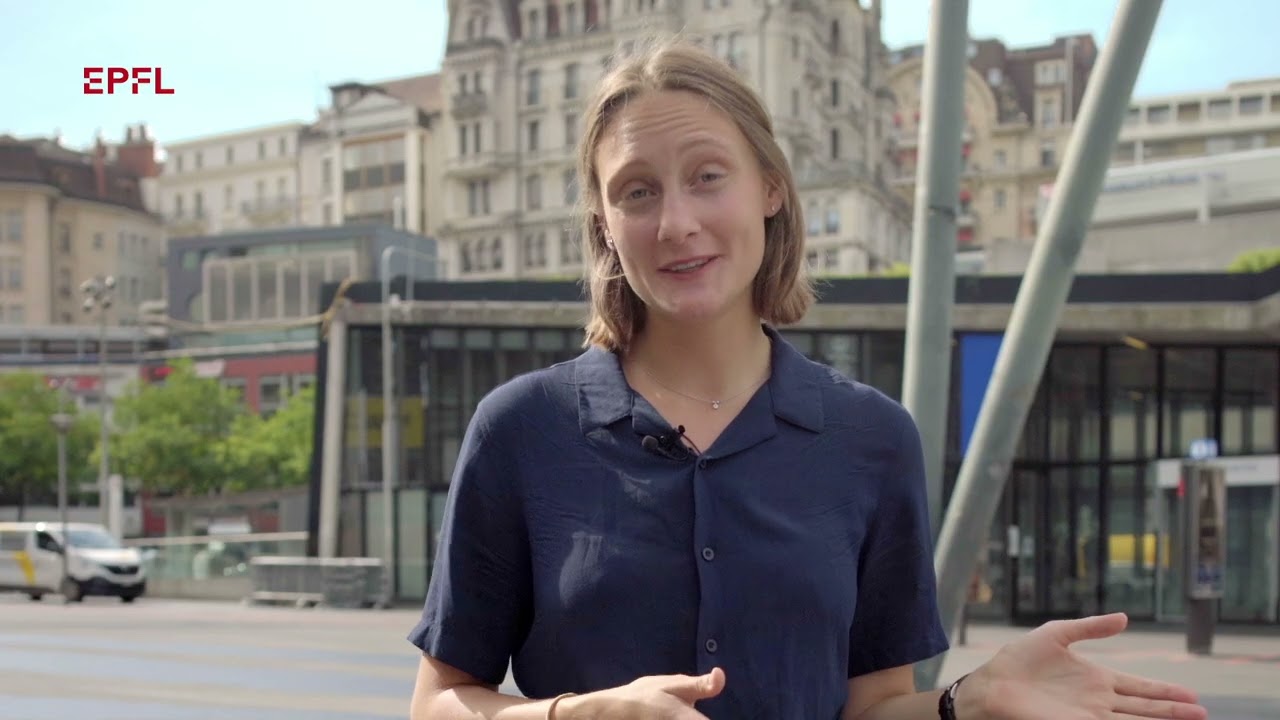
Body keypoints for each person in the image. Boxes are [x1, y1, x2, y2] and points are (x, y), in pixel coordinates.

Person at [408, 36, 1207, 720]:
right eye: (637, 192)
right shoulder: (521, 428)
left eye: (708, 175)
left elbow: (874, 706)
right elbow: (438, 701)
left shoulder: (873, 439)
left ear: (771, 188)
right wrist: (573, 714)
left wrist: (969, 700)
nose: (677, 222)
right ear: (605, 227)